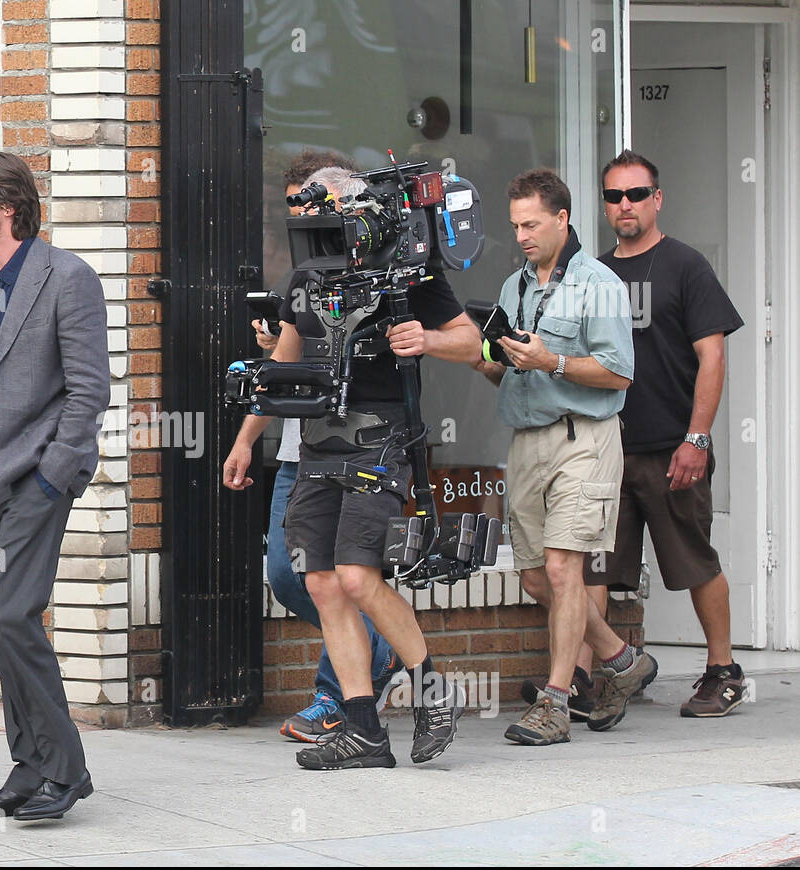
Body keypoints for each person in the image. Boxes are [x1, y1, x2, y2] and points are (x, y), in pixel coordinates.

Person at [225, 165, 481, 770]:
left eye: (328, 211)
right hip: (317, 441)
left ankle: (431, 688)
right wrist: (245, 440)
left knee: (358, 575)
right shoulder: (306, 273)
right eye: (309, 215)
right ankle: (363, 729)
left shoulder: (409, 269)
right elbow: (285, 357)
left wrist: (427, 341)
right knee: (318, 579)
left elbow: (472, 343)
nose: (317, 225)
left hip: (382, 438)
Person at [0, 150, 109, 822]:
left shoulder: (68, 277)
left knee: (12, 615)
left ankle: (66, 769)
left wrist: (56, 471)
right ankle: (28, 765)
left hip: (35, 474)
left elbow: (90, 389)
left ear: (8, 204)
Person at [471, 168, 655, 746]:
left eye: (531, 224)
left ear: (562, 219)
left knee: (561, 568)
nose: (522, 234)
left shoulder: (598, 283)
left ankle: (555, 701)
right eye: (515, 226)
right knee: (533, 577)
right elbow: (502, 371)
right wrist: (475, 354)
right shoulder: (512, 287)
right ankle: (624, 662)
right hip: (527, 440)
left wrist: (551, 361)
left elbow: (621, 374)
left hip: (585, 439)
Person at [582, 150, 745, 717]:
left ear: (657, 198)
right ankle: (582, 678)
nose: (624, 205)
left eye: (635, 193)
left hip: (673, 449)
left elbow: (713, 357)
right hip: (606, 450)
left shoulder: (686, 265)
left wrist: (696, 439)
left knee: (695, 563)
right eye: (613, 196)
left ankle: (722, 670)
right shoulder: (593, 273)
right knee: (593, 567)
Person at [249, 150, 402, 744]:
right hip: (297, 450)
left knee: (342, 577)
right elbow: (283, 369)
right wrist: (245, 443)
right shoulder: (298, 276)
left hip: (359, 447)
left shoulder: (373, 271)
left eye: (312, 205)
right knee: (291, 578)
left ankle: (339, 700)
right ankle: (378, 650)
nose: (303, 217)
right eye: (292, 207)